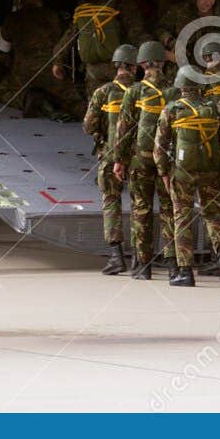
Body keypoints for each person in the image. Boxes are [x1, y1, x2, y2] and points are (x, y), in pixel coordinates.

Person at [155, 67, 220, 288]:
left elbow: (159, 146)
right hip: (210, 170)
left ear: (180, 86)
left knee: (182, 218)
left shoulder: (172, 109)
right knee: (214, 215)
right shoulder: (214, 108)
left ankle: (186, 272)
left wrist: (163, 172)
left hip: (182, 172)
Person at [114, 40, 175, 279]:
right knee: (169, 210)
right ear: (162, 63)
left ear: (140, 64)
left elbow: (123, 130)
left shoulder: (134, 91)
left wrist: (119, 160)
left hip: (140, 159)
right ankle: (173, 265)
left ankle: (143, 265)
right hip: (167, 161)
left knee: (141, 209)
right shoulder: (175, 90)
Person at [84, 44, 138, 274]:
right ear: (135, 67)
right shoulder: (143, 92)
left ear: (115, 66)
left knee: (111, 201)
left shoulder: (103, 92)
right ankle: (139, 257)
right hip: (137, 157)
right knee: (140, 204)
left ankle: (116, 256)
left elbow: (88, 126)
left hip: (109, 155)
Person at [54, 0, 146, 94]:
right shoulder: (124, 3)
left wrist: (57, 61)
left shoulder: (90, 5)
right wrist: (150, 57)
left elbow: (70, 35)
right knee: (119, 110)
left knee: (95, 108)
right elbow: (137, 33)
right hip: (119, 67)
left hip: (92, 69)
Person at [0, 0, 78, 120]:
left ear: (20, 4)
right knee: (69, 97)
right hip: (53, 70)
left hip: (23, 72)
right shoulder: (53, 16)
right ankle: (61, 106)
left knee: (4, 92)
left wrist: (8, 68)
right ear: (40, 3)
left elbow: (1, 49)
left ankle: (32, 101)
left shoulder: (12, 18)